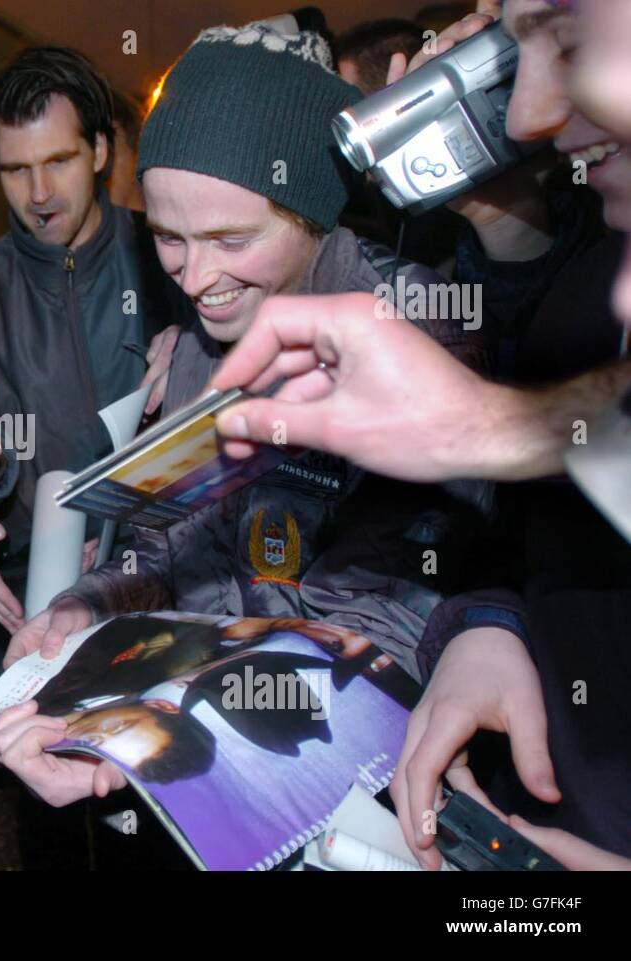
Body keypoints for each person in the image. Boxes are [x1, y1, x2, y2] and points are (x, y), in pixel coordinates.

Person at [0, 21, 496, 818]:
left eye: (231, 238)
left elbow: (417, 605)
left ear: (312, 216)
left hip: (374, 788)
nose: (197, 277)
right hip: (224, 765)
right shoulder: (203, 348)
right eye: (168, 238)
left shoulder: (416, 331)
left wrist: (203, 701)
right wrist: (88, 609)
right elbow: (170, 553)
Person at [209, 1, 631, 870]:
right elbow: (544, 539)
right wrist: (490, 623)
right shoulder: (592, 284)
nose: (526, 117)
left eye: (568, 41)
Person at [0, 46, 188, 639]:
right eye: (16, 170)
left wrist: (198, 357)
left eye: (59, 160)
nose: (39, 193)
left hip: (172, 577)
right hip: (35, 592)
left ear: (98, 150)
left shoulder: (170, 255)